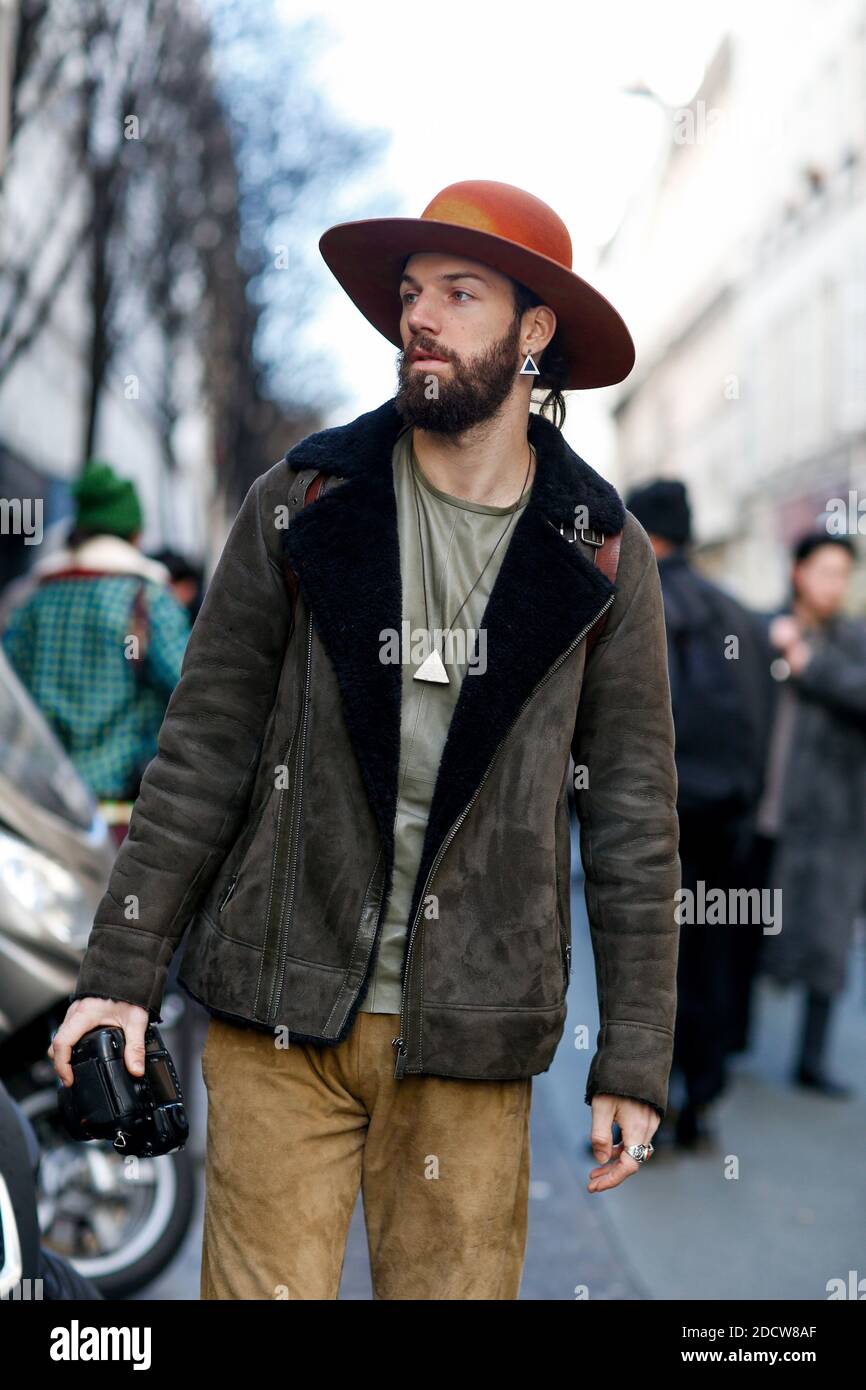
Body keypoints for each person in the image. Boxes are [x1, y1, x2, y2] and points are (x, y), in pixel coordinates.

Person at [49, 180, 681, 1301]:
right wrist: (119, 974)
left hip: (468, 1041)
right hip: (275, 1014)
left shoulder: (599, 555)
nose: (418, 318)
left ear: (534, 335)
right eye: (408, 294)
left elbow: (631, 814)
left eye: (457, 293)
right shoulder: (302, 501)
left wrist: (630, 1054)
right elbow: (200, 748)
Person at [625, 480, 774, 1150]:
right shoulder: (739, 616)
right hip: (726, 825)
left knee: (646, 968)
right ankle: (702, 1102)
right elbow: (761, 726)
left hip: (653, 826)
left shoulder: (636, 602)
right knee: (712, 961)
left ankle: (643, 1114)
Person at [2, 459, 190, 837]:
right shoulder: (147, 599)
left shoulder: (35, 598)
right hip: (119, 809)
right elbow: (190, 687)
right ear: (134, 534)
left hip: (42, 801)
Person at [753, 531, 866, 1097]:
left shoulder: (852, 640)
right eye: (825, 571)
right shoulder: (760, 628)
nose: (835, 584)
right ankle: (728, 1044)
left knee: (827, 941)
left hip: (834, 819)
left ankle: (812, 1059)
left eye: (843, 574)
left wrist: (808, 662)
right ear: (798, 572)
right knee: (741, 930)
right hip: (759, 810)